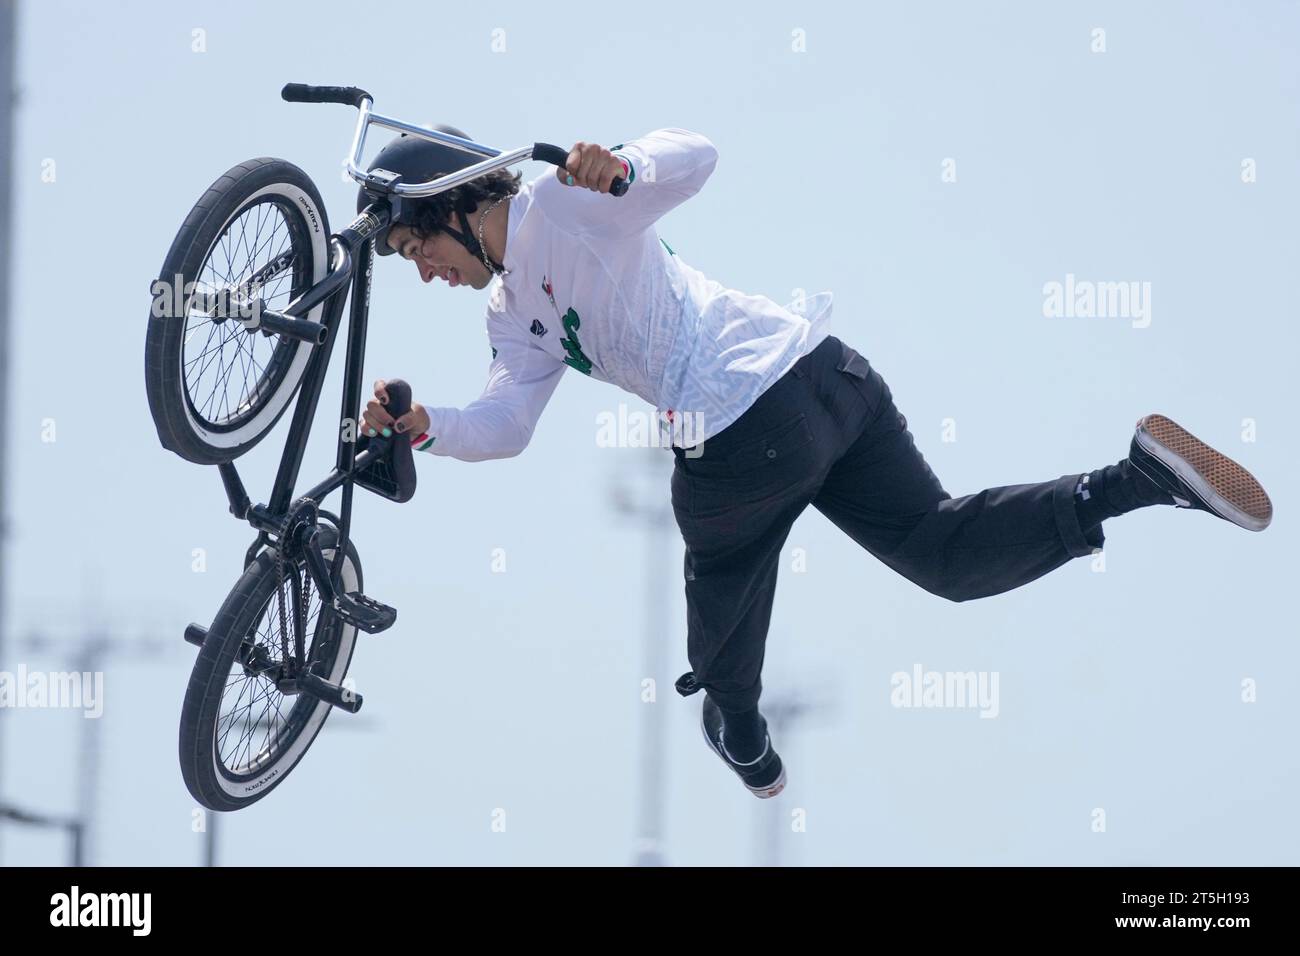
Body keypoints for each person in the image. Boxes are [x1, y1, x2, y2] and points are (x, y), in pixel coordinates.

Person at [357, 126, 1274, 799]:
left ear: (455, 202)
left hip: (739, 429)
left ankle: (742, 731)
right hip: (833, 383)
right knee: (944, 553)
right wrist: (429, 424)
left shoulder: (561, 201)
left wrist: (626, 165)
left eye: (418, 246)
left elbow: (696, 156)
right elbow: (508, 420)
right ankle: (1138, 479)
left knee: (720, 577)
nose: (424, 270)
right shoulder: (509, 314)